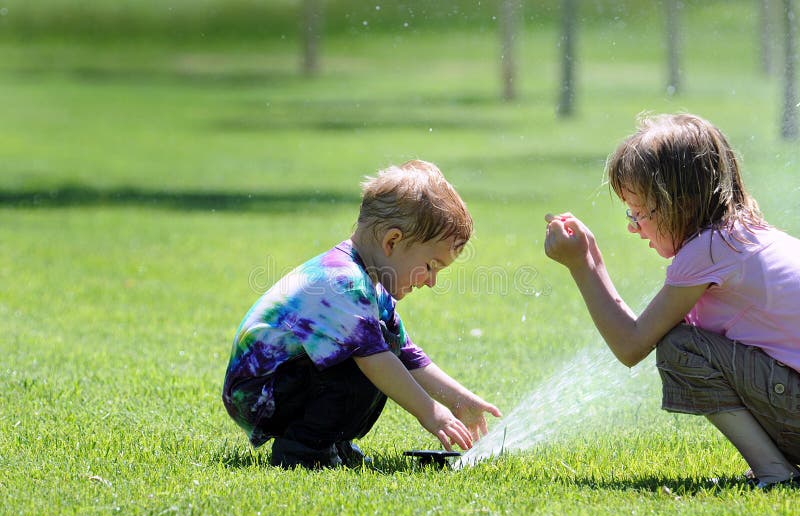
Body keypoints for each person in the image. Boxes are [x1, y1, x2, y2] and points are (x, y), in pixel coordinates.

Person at [544, 113, 800, 489]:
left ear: (681, 203)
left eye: (640, 212)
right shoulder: (744, 235)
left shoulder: (709, 251)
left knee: (680, 345)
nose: (633, 226)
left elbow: (632, 344)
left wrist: (582, 264)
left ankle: (775, 473)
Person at [222, 159, 501, 469]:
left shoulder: (372, 285)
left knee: (386, 343)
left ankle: (328, 441)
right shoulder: (343, 281)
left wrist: (459, 400)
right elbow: (379, 362)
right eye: (430, 266)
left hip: (285, 384)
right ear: (392, 241)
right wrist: (430, 412)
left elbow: (407, 356)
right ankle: (304, 448)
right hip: (261, 395)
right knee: (370, 360)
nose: (431, 281)